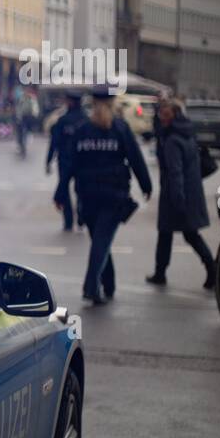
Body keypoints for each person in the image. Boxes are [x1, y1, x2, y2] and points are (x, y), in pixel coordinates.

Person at [70, 87, 152, 305]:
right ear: (114, 103)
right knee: (102, 240)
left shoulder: (83, 130)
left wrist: (61, 192)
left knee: (100, 240)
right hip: (113, 195)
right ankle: (91, 286)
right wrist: (146, 185)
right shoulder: (120, 128)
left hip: (88, 196)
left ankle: (109, 284)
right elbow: (135, 158)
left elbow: (71, 164)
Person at [146, 99, 215, 289]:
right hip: (192, 190)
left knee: (185, 234)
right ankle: (161, 272)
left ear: (174, 115)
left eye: (166, 114)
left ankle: (212, 268)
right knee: (172, 234)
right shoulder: (187, 132)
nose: (162, 118)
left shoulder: (172, 141)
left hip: (176, 194)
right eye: (161, 114)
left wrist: (177, 200)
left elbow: (175, 172)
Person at [46, 92, 86, 231]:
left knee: (65, 189)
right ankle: (81, 216)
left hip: (65, 160)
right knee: (81, 189)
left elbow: (54, 142)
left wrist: (49, 160)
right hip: (82, 161)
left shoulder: (63, 120)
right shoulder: (86, 119)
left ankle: (69, 220)